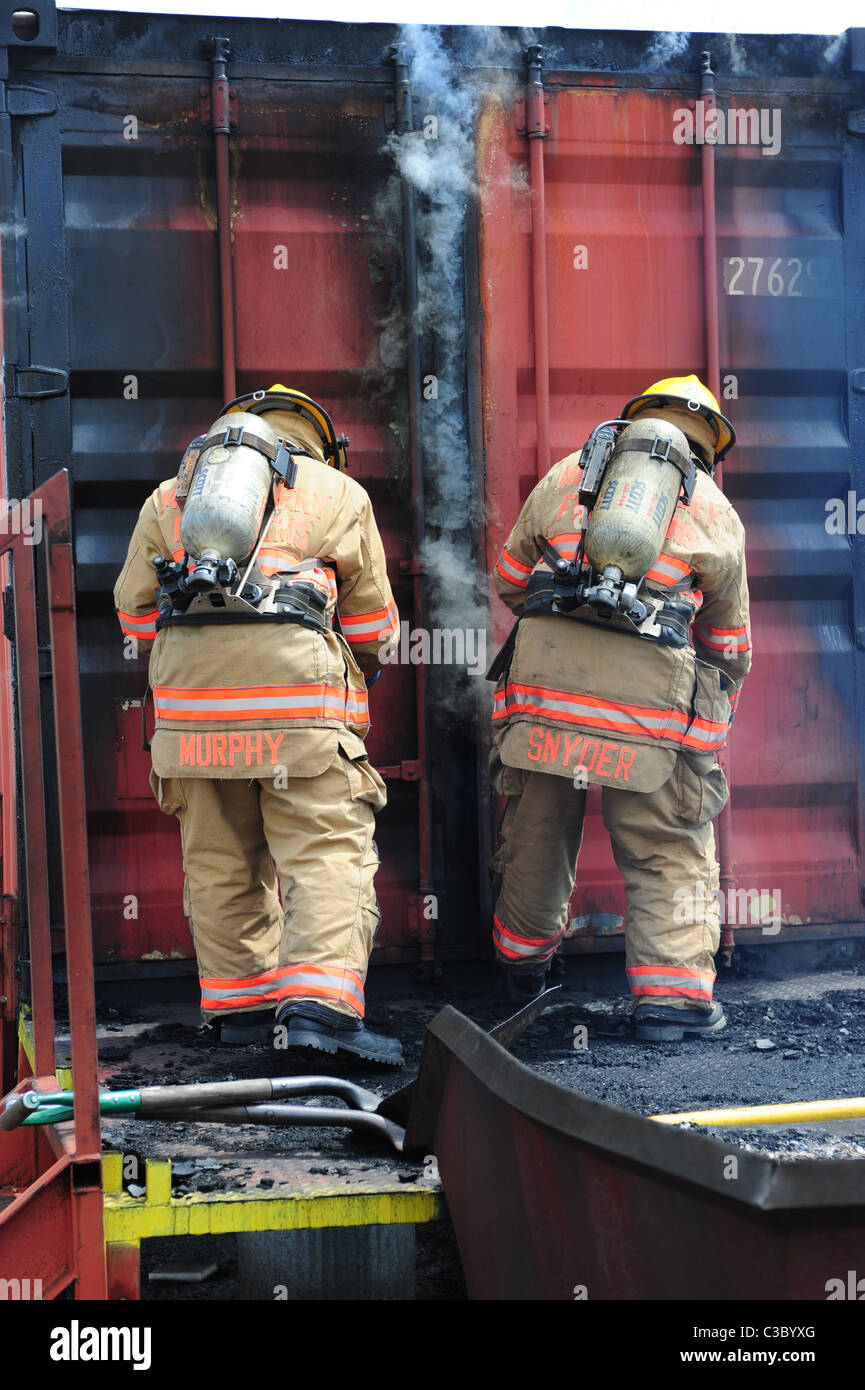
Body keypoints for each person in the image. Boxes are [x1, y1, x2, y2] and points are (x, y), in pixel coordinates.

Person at [114, 385, 403, 1064]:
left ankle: (242, 1013)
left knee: (219, 861)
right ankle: (320, 1016)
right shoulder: (336, 492)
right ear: (315, 443)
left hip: (191, 722)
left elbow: (134, 618)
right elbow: (371, 627)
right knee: (325, 851)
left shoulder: (168, 498)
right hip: (298, 717)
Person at [488, 376, 751, 1041]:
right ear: (709, 446)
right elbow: (726, 642)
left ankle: (523, 970)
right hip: (651, 716)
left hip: (547, 699)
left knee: (537, 832)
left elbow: (510, 582)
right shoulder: (715, 510)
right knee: (667, 843)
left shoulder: (565, 476)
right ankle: (671, 1003)